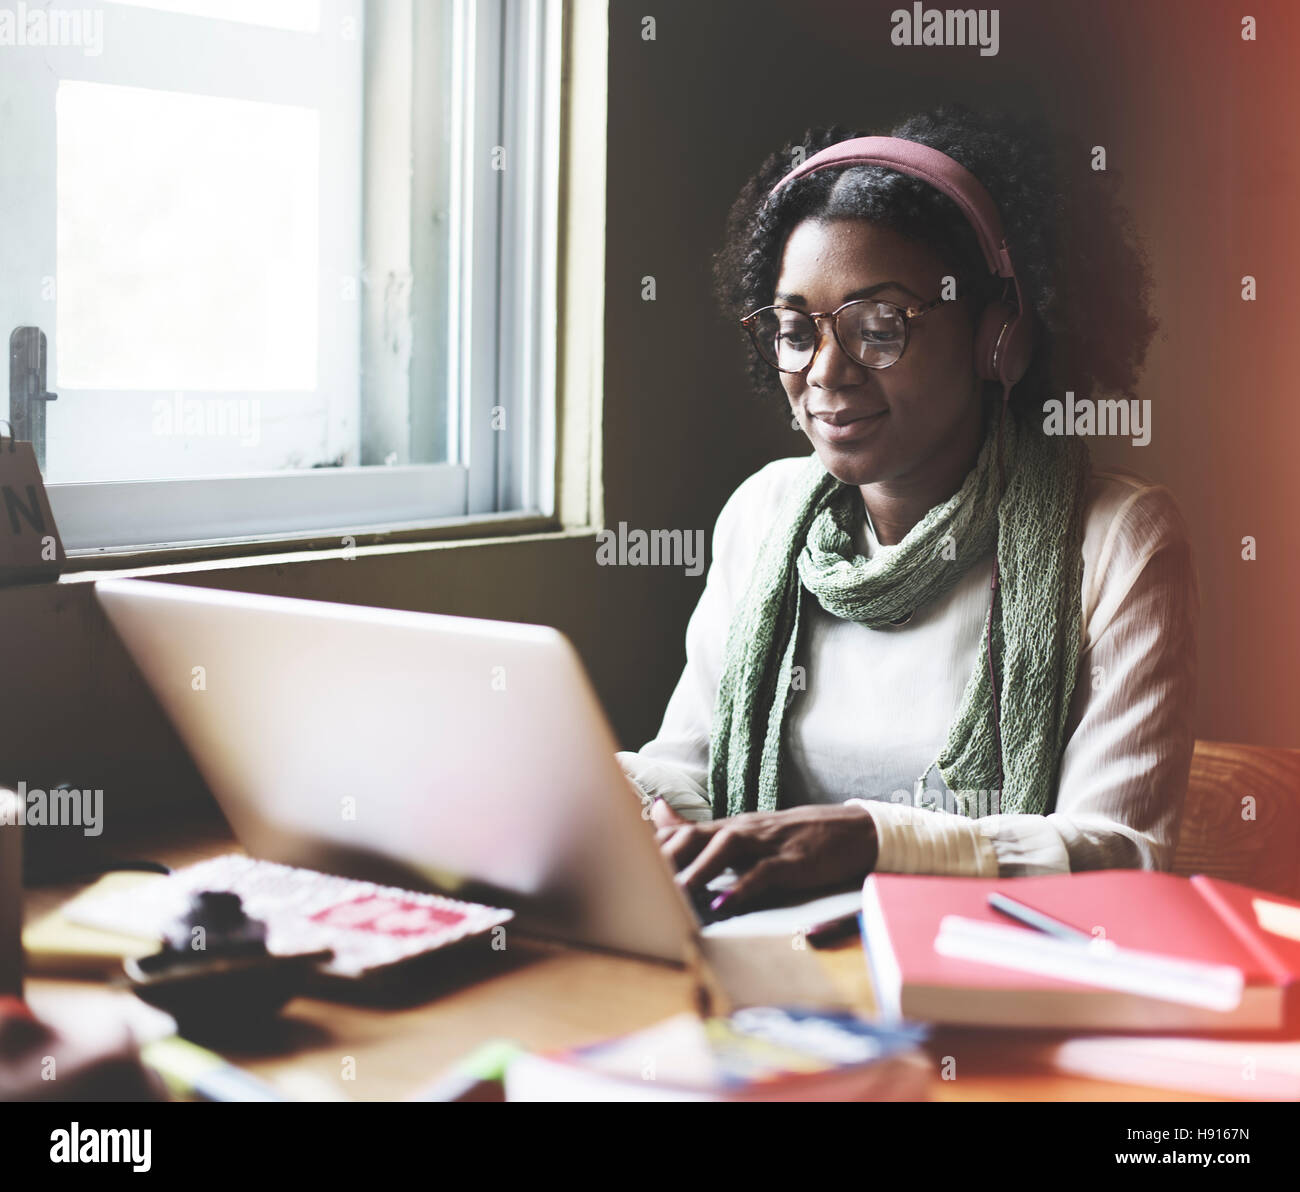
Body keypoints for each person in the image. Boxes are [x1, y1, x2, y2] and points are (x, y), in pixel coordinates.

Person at [617, 104, 1199, 917]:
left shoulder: (1117, 541)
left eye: (880, 327)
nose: (826, 372)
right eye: (794, 329)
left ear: (1001, 335)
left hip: (983, 989)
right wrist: (603, 789)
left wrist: (875, 840)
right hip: (762, 965)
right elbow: (690, 771)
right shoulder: (764, 514)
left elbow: (1120, 858)